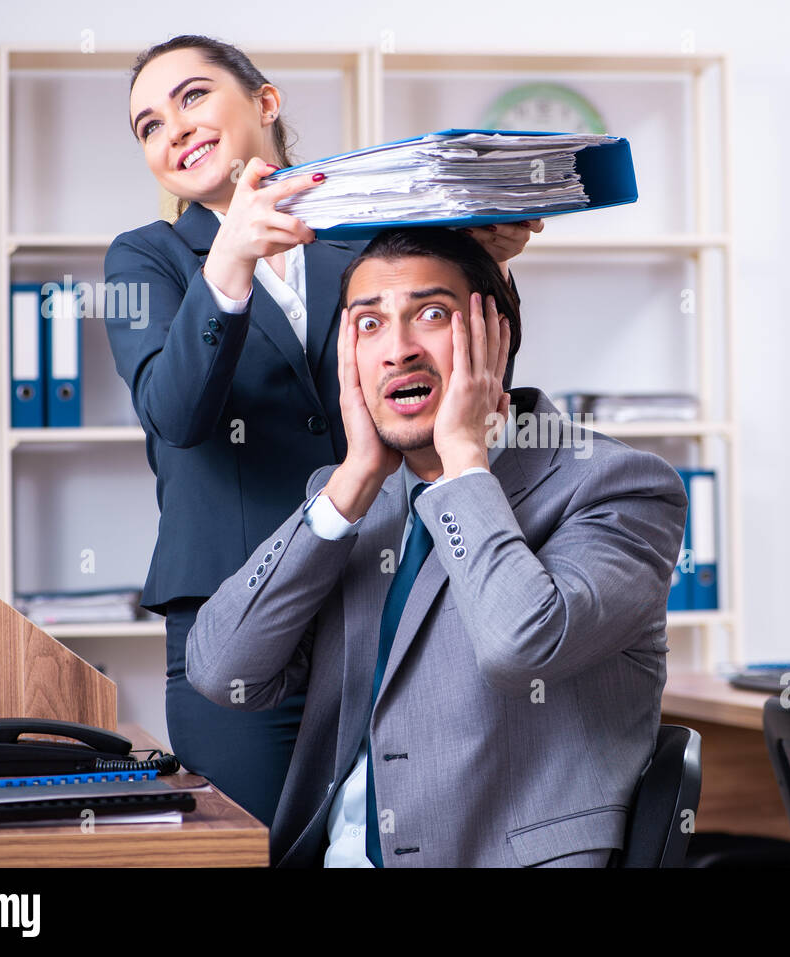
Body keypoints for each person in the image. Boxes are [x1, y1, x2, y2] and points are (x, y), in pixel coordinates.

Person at [103, 34, 540, 826]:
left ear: (265, 103)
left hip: (382, 595)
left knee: (396, 834)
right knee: (261, 845)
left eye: (193, 96)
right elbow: (177, 414)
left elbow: (463, 377)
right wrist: (229, 261)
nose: (174, 128)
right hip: (235, 620)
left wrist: (490, 269)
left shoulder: (367, 233)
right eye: (148, 126)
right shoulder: (150, 259)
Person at [186, 226, 688, 867]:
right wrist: (351, 483)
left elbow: (521, 646)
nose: (396, 350)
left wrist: (463, 464)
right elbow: (221, 671)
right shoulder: (353, 501)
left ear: (495, 335)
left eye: (430, 315)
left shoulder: (617, 486)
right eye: (368, 325)